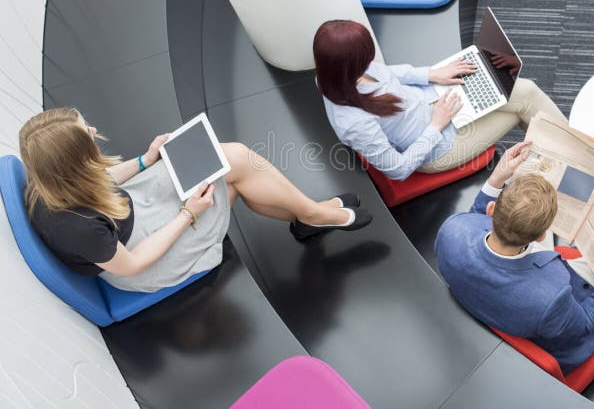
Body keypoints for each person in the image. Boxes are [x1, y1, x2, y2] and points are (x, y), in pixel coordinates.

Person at [19, 108, 372, 293]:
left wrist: (146, 159)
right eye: (87, 133)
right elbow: (133, 264)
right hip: (140, 251)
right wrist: (189, 214)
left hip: (127, 210)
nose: (93, 131)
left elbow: (97, 181)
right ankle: (312, 213)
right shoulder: (77, 228)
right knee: (233, 177)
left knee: (232, 164)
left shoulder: (48, 179)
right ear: (73, 158)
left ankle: (310, 215)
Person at [435, 141, 594, 374]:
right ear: (541, 235)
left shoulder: (450, 230)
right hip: (554, 316)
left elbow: (472, 221)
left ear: (491, 210)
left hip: (505, 292)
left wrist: (496, 178)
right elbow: (585, 323)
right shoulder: (552, 294)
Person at [313, 20, 565, 180]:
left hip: (435, 102)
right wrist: (436, 124)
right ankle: (574, 157)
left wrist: (432, 73)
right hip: (439, 147)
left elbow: (390, 73)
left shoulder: (335, 74)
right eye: (364, 59)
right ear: (348, 66)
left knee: (525, 91)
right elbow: (397, 169)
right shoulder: (354, 123)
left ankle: (568, 154)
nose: (371, 62)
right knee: (522, 105)